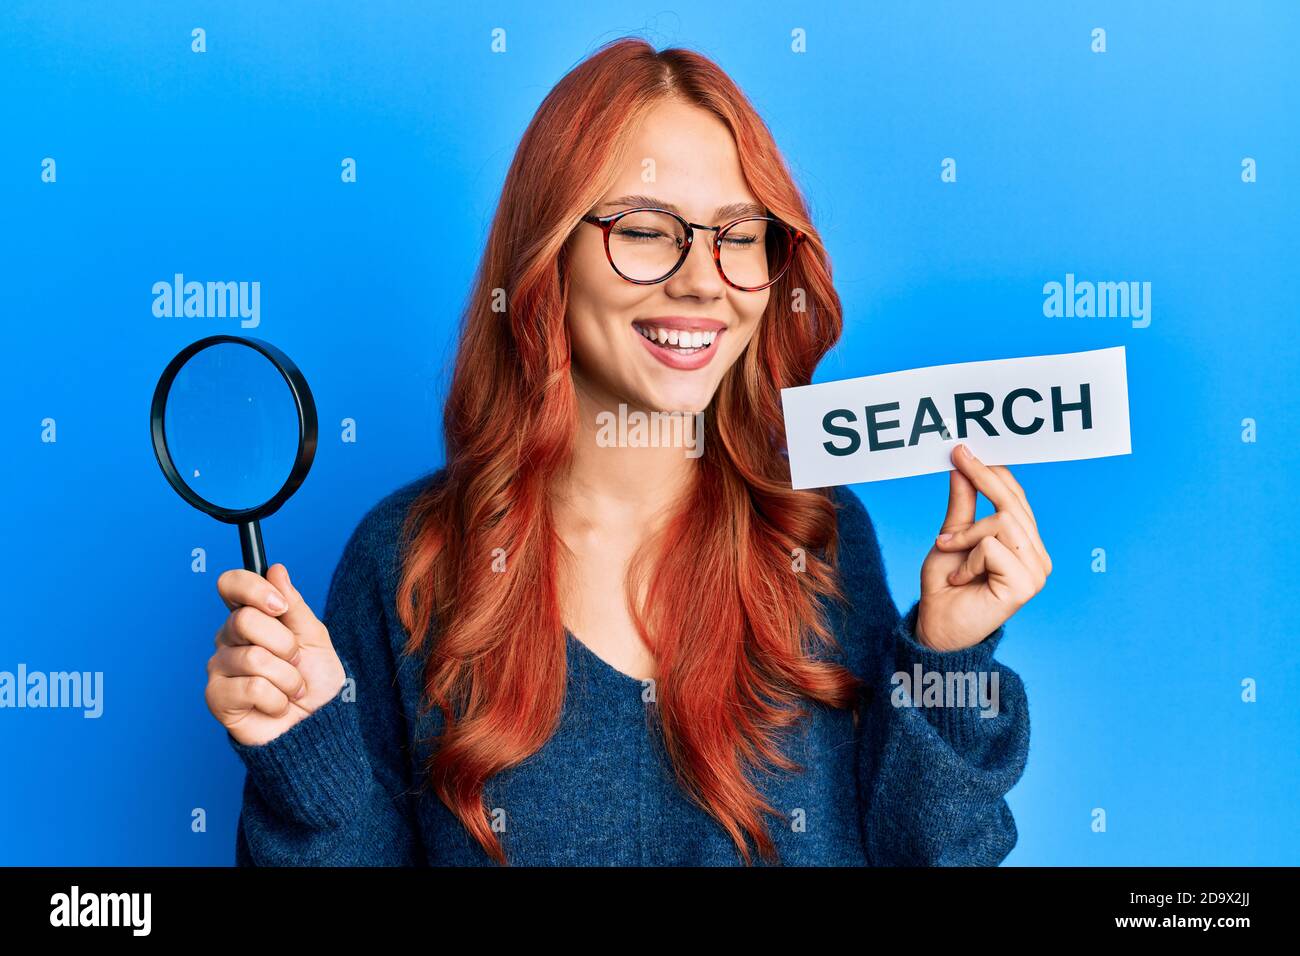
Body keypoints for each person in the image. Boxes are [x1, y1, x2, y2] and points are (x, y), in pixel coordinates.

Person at [205, 37, 1049, 866]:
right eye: (647, 229)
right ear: (547, 259)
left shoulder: (820, 535)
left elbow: (927, 856)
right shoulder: (405, 563)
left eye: (740, 233)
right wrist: (302, 755)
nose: (704, 280)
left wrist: (946, 660)